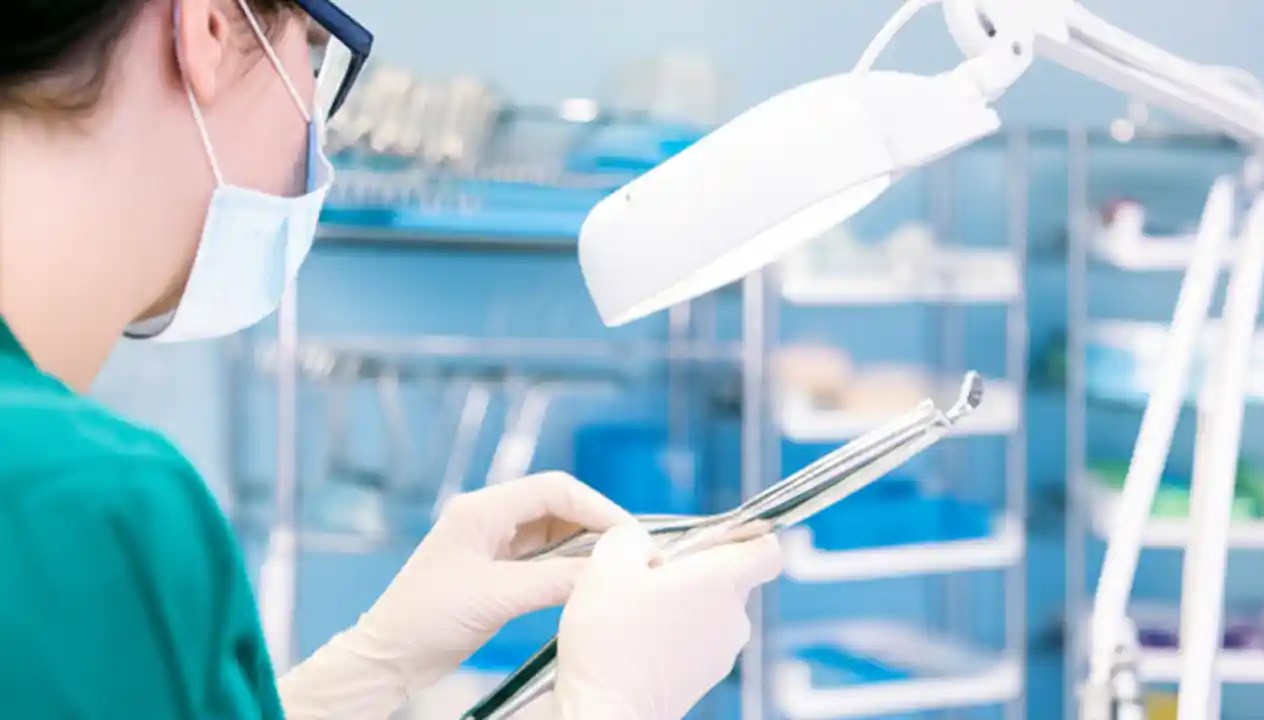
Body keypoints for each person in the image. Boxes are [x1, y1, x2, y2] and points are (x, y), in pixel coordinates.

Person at [0, 1, 783, 718]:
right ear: (206, 26)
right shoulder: (82, 506)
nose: (313, 124)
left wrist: (369, 668)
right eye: (314, 55)